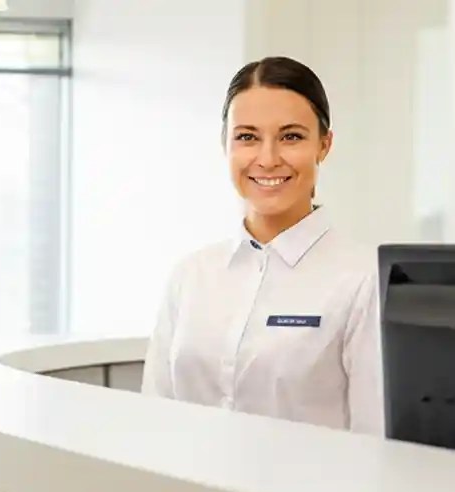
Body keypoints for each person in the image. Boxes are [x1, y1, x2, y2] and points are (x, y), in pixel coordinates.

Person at [141, 56, 383, 435]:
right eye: (247, 137)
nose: (268, 159)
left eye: (291, 136)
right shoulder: (191, 276)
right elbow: (156, 418)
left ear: (324, 144)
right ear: (226, 144)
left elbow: (376, 440)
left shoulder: (365, 279)